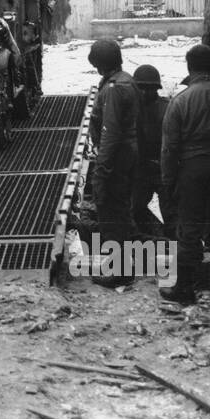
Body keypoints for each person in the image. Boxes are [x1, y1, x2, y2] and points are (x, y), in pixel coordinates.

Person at [160, 44, 210, 305]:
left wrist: (169, 180)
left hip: (191, 168)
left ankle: (184, 288)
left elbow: (170, 147)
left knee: (190, 228)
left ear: (189, 67)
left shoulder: (180, 100)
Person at [87, 38, 139, 285]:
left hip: (116, 158)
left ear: (100, 64)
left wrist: (102, 170)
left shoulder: (113, 88)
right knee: (121, 211)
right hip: (127, 154)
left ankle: (118, 272)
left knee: (110, 213)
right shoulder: (126, 80)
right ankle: (125, 267)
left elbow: (110, 133)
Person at [130, 65, 173, 239]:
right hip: (140, 170)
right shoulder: (130, 109)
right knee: (135, 210)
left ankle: (177, 253)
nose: (146, 93)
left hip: (164, 170)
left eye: (151, 88)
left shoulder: (168, 108)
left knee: (172, 216)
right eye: (142, 88)